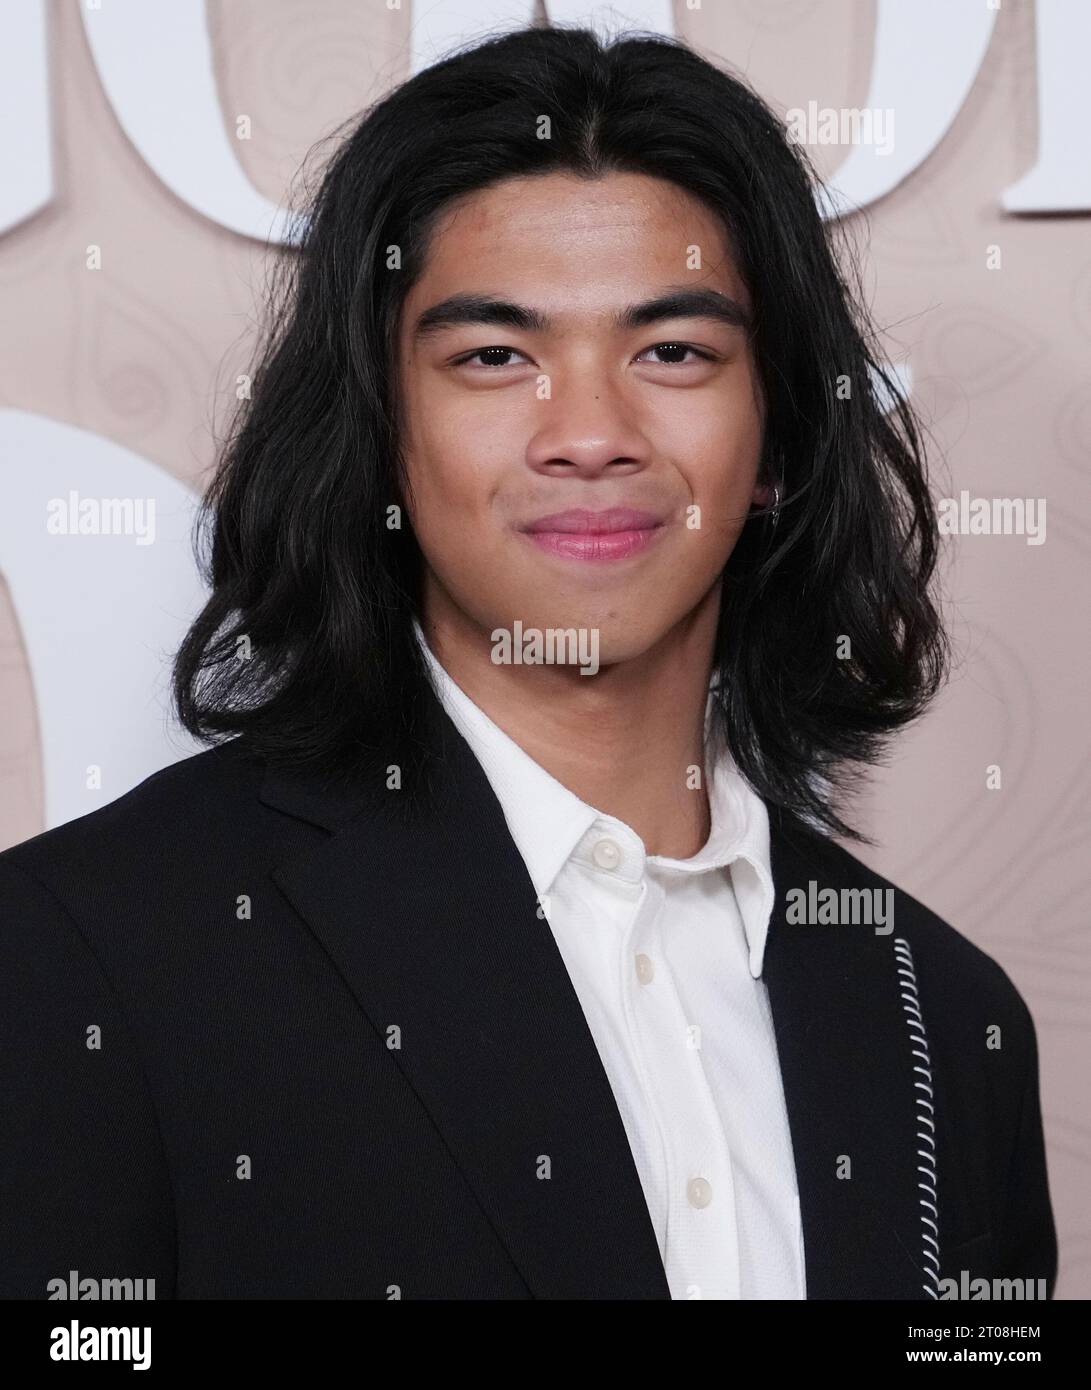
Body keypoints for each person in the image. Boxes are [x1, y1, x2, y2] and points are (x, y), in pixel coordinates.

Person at [0, 24, 1056, 1300]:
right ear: (379, 433)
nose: (591, 435)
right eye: (494, 356)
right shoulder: (86, 952)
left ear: (775, 435)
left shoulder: (941, 1015)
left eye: (672, 352)